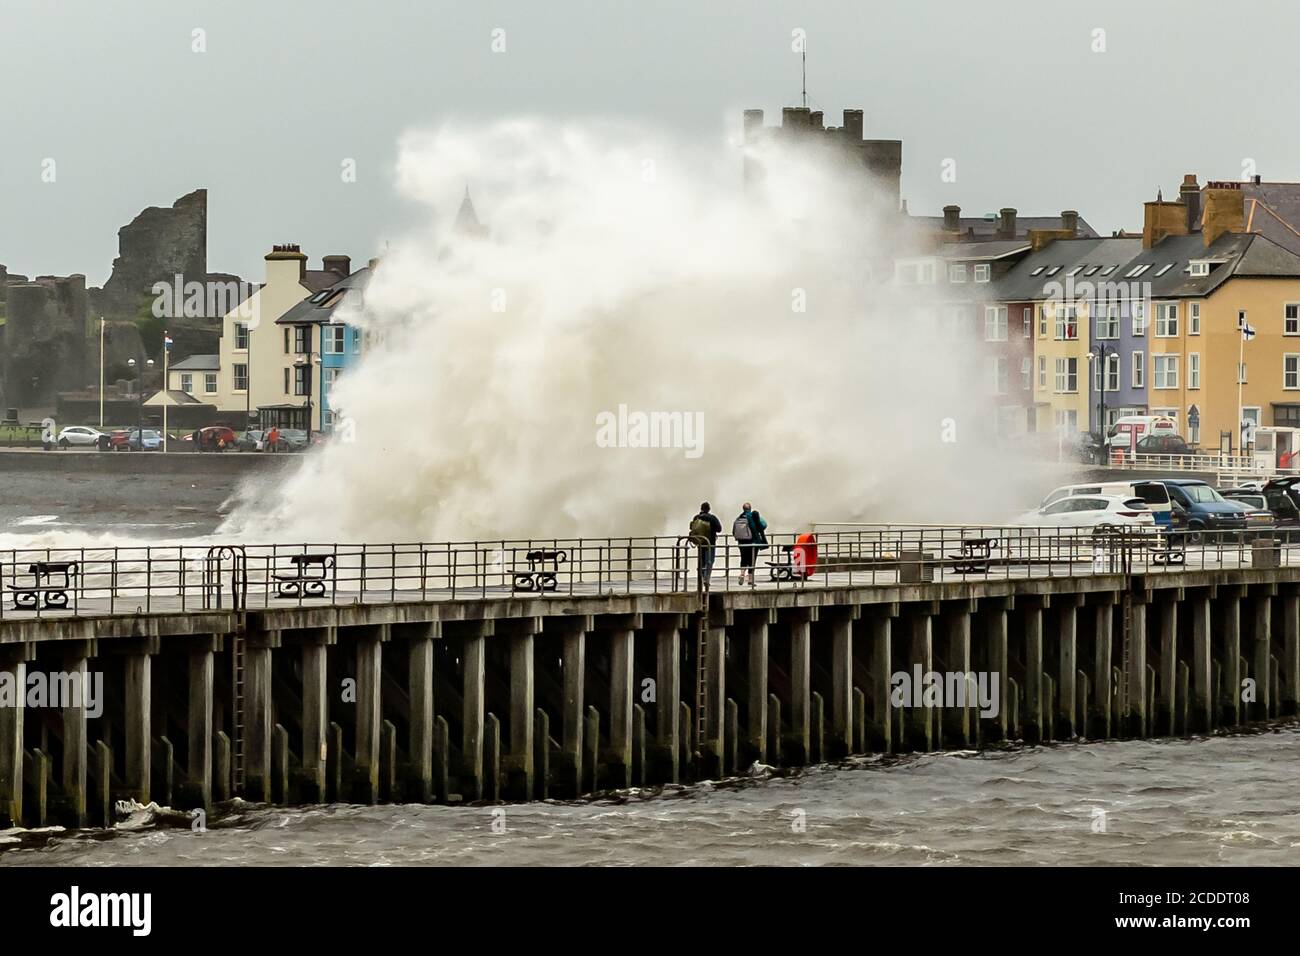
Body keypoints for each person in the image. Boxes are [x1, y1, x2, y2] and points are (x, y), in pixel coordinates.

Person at [688, 502, 723, 590]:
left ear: (701, 508)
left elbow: (692, 528)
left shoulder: (696, 517)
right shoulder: (712, 518)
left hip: (700, 543)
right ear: (709, 509)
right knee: (710, 561)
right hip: (710, 543)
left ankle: (701, 578)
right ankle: (707, 579)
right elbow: (719, 529)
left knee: (701, 561)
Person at [733, 502, 768, 586]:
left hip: (741, 543)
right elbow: (764, 525)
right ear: (750, 508)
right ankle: (750, 580)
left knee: (744, 558)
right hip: (752, 542)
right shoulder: (753, 516)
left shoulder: (738, 518)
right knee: (752, 560)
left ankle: (742, 574)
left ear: (743, 509)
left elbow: (733, 531)